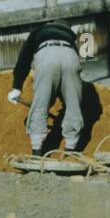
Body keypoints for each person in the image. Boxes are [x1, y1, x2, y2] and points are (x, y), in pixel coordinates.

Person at [7, 20, 83, 156]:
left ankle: (37, 151)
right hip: (70, 56)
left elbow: (24, 59)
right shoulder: (69, 37)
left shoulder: (38, 32)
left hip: (46, 55)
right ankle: (71, 150)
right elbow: (74, 69)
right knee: (73, 105)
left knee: (40, 105)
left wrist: (16, 87)